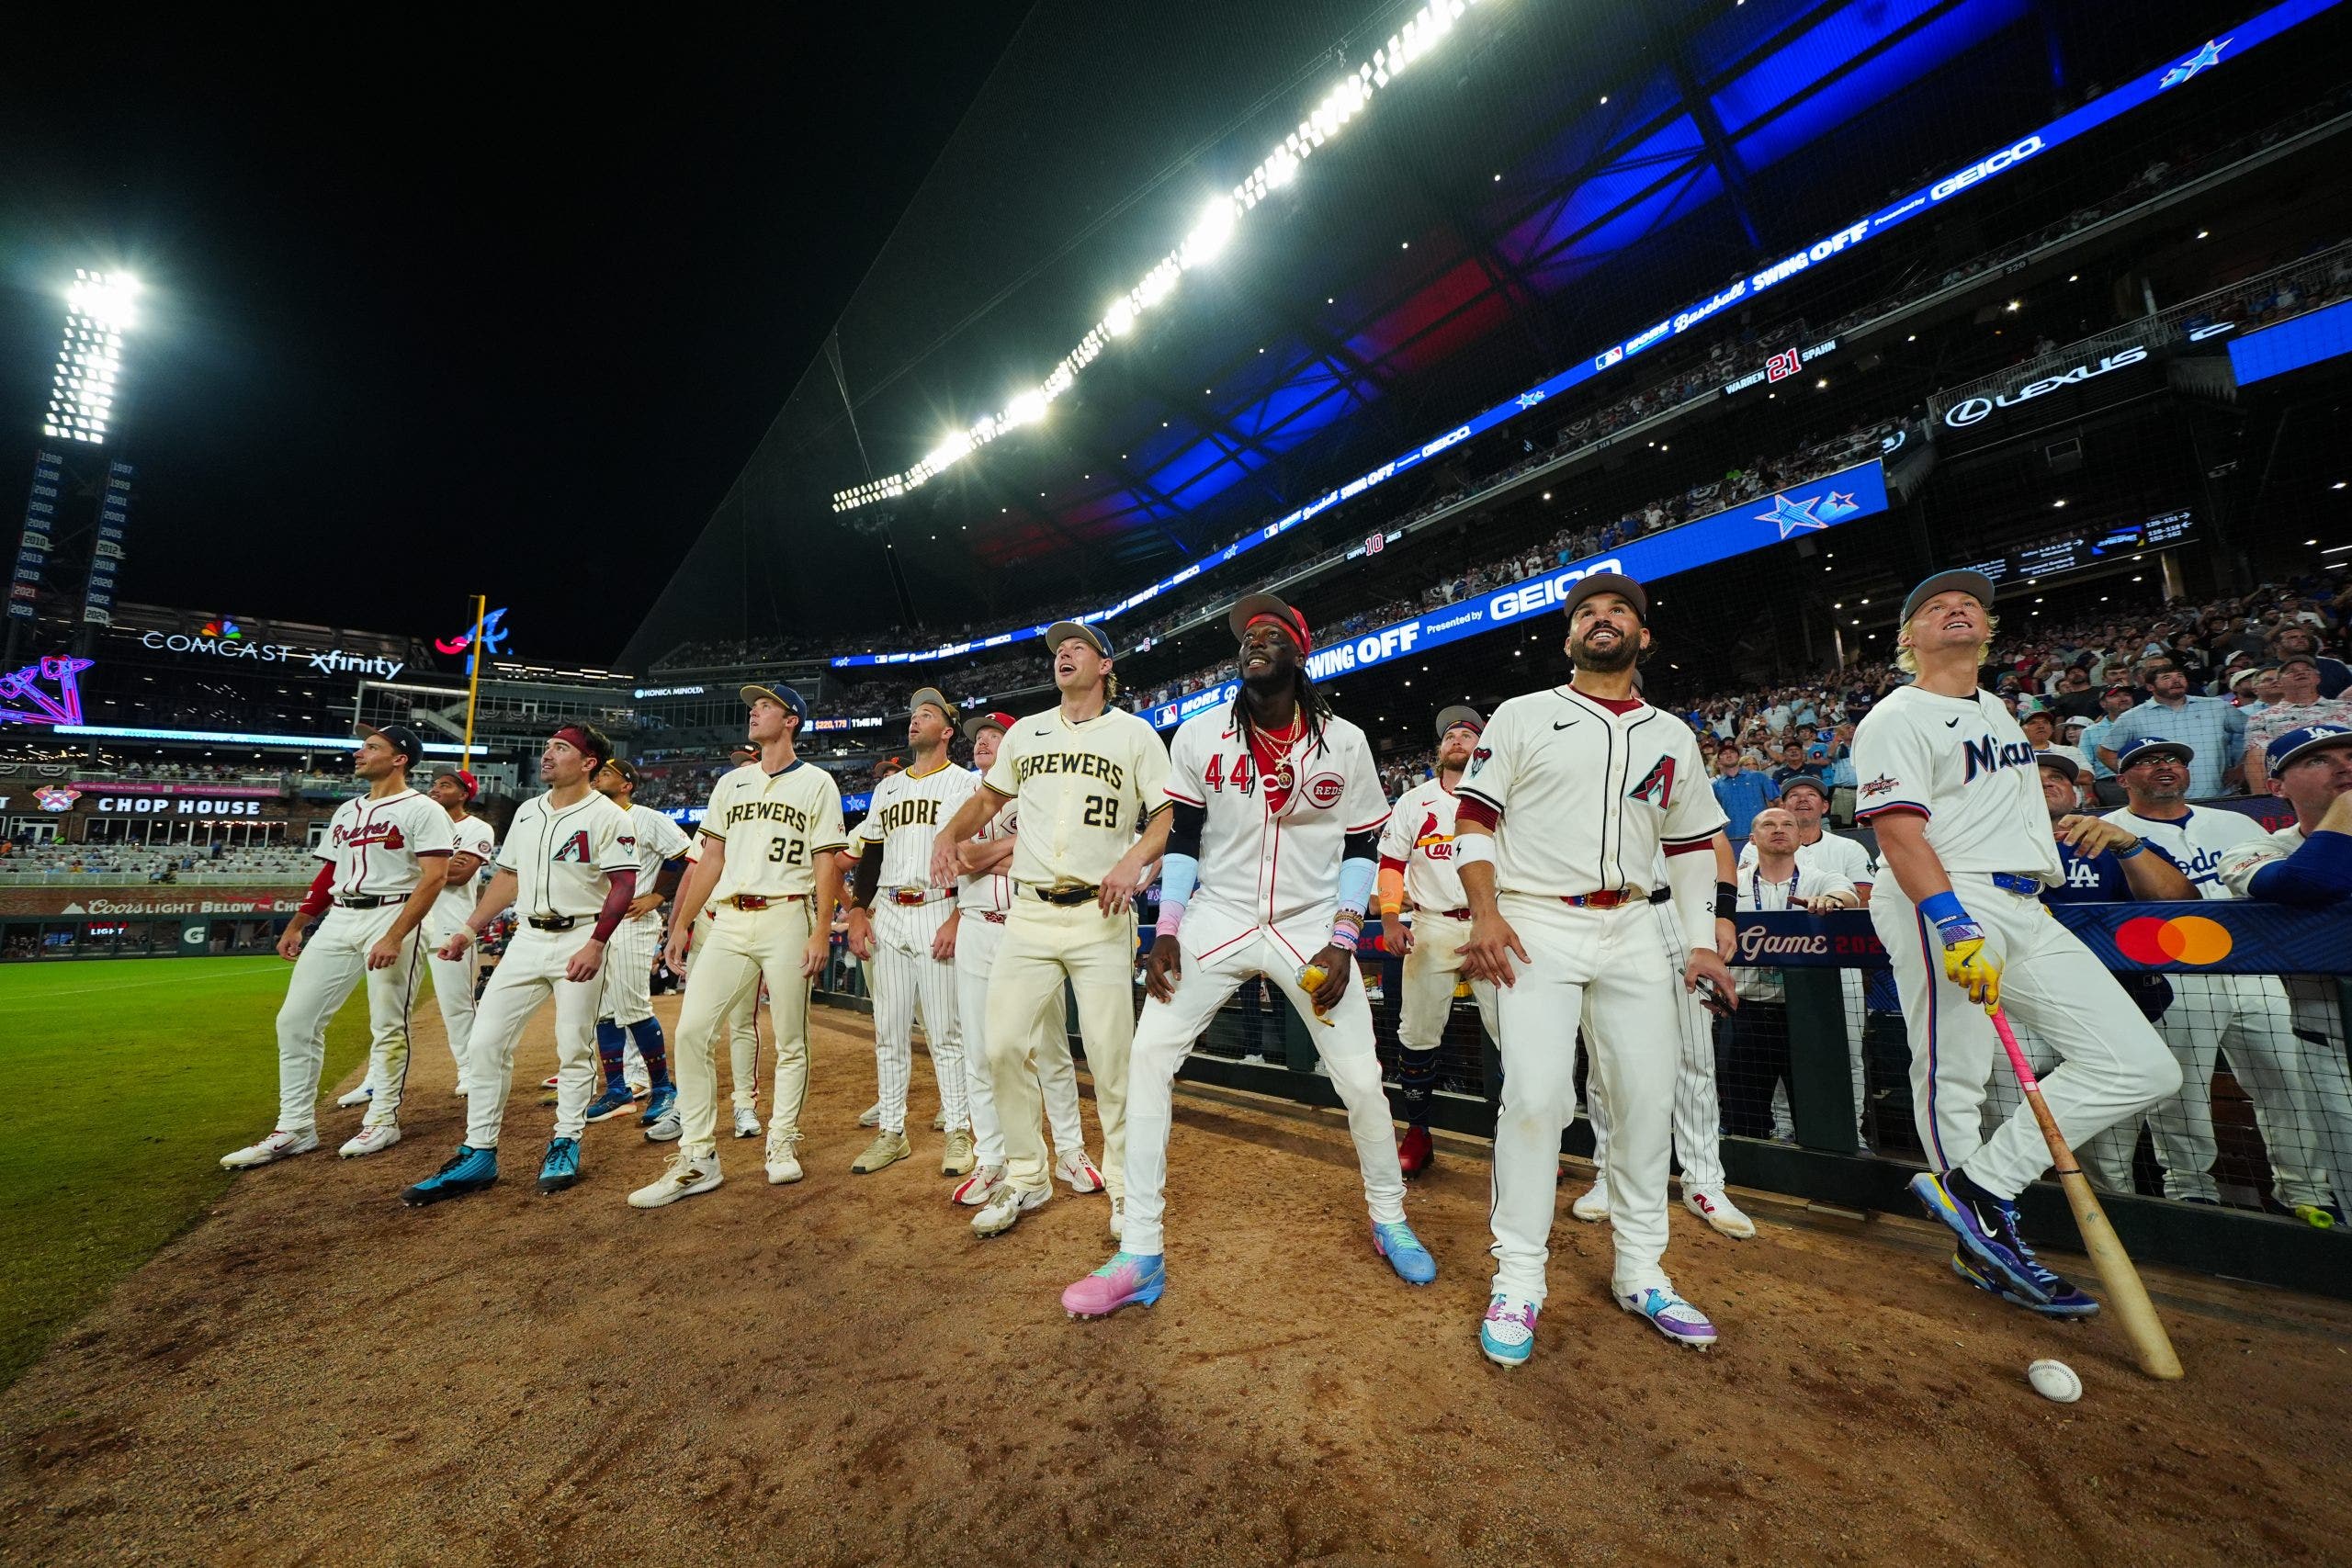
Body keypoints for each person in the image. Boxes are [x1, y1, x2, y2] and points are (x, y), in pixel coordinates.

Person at [1061, 594, 1431, 1319]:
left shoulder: (1345, 740)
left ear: (1300, 651)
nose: (1252, 642)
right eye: (1245, 637)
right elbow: (1185, 839)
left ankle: (1388, 1218)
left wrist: (1346, 935)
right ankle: (1140, 1251)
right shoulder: (1200, 735)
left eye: (1270, 634)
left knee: (1359, 1076)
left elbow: (1361, 843)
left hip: (1309, 922)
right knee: (1148, 1058)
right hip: (1218, 917)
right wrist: (1165, 927)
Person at [1853, 570, 2179, 1319]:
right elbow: (1900, 833)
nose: (1958, 607)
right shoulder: (1896, 714)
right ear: (1908, 639)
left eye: (1969, 603)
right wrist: (1952, 920)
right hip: (1947, 891)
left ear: (1989, 629)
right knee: (1955, 1071)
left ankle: (1976, 1190)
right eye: (1934, 605)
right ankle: (1984, 1244)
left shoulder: (1998, 708)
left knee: (2141, 1065)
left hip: (2027, 900)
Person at [1455, 572, 1737, 1364]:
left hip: (1637, 925)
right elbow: (1474, 818)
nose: (1601, 618)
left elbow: (1688, 850)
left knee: (1648, 1099)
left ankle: (1643, 1270)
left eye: (1618, 611)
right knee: (1537, 1096)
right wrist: (1485, 910)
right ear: (1568, 635)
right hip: (1538, 917)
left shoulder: (1672, 734)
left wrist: (1701, 941)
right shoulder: (1522, 715)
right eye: (1586, 611)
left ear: (1643, 637)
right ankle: (1518, 1277)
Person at [928, 621, 1170, 1240]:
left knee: (1112, 1059)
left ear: (1106, 664)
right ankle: (1027, 1173)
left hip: (1100, 913)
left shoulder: (1135, 734)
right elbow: (986, 801)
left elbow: (1168, 814)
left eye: (1077, 646)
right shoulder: (1028, 733)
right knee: (1002, 1045)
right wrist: (946, 834)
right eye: (1058, 648)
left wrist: (1133, 858)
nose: (1062, 652)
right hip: (1030, 914)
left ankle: (1123, 1184)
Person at [2100, 739, 2342, 1218]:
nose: (2164, 767)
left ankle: (2305, 1194)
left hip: (2259, 970)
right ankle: (2190, 1190)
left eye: (2173, 759)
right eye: (2146, 762)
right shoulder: (2109, 831)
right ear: (2123, 780)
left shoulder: (2236, 823)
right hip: (2174, 974)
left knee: (2290, 1082)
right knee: (2181, 1091)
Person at [401, 725, 640, 1202]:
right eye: (549, 746)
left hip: (580, 932)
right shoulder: (529, 811)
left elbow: (623, 885)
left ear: (589, 761)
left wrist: (596, 943)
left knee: (572, 1046)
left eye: (561, 748)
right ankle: (479, 1152)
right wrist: (469, 929)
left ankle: (565, 1141)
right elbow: (508, 877)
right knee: (485, 1043)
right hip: (528, 937)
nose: (548, 754)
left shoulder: (608, 816)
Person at [631, 683, 847, 1208]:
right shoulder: (731, 782)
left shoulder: (818, 783)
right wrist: (679, 921)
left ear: (791, 720)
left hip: (787, 915)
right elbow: (710, 860)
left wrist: (821, 928)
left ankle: (781, 1139)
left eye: (767, 705)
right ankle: (698, 1157)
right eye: (755, 705)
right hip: (728, 918)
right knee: (690, 1032)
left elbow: (826, 862)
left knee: (791, 1038)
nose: (755, 711)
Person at [221, 724, 454, 1170]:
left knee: (388, 1024)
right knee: (295, 1021)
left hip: (393, 911)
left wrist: (394, 935)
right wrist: (299, 923)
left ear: (400, 758)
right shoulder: (348, 810)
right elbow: (330, 875)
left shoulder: (422, 809)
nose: (359, 752)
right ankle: (295, 1127)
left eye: (372, 747)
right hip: (341, 916)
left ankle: (383, 1117)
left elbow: (435, 877)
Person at [944, 710, 1102, 1210]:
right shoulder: (962, 795)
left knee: (1050, 1049)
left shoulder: (1044, 786)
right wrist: (1015, 847)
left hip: (1028, 924)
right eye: (978, 738)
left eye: (994, 736)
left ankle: (1071, 1152)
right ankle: (992, 1159)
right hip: (975, 927)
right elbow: (961, 857)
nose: (983, 743)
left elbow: (1051, 856)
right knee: (980, 1050)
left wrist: (986, 850)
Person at [2218, 724, 2352, 1223]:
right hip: (2329, 1040)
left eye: (2349, 754)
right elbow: (2306, 881)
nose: (2343, 765)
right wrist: (2347, 809)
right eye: (2318, 761)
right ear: (2276, 787)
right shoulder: (2256, 849)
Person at [842, 688, 977, 1178]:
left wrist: (960, 914)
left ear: (946, 731)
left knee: (946, 1031)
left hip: (938, 906)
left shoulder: (965, 784)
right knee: (889, 1032)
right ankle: (892, 1133)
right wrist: (859, 909)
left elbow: (972, 857)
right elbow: (872, 855)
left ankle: (961, 1129)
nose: (915, 720)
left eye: (928, 714)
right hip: (890, 911)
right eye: (913, 714)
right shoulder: (888, 789)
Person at [1375, 705, 1498, 1177]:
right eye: (1450, 735)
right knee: (1417, 1033)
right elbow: (1391, 863)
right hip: (1433, 922)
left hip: (1493, 920)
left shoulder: (1500, 796)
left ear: (1482, 746)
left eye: (1469, 733)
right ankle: (1419, 1131)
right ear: (1438, 748)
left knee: (1516, 1035)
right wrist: (1390, 918)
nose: (1458, 739)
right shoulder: (1414, 801)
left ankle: (1520, 1141)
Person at [334, 765, 494, 1110]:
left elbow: (458, 873)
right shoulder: (414, 820)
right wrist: (424, 864)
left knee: (458, 1006)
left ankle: (471, 1070)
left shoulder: (476, 827)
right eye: (434, 783)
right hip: (404, 925)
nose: (436, 789)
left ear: (465, 793)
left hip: (451, 926)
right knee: (386, 1011)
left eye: (446, 785)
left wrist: (416, 863)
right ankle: (377, 1079)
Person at [1716, 807, 1856, 1139]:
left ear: (1799, 836)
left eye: (1787, 824)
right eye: (1769, 824)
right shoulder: (1731, 885)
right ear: (1752, 838)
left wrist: (1830, 901)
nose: (1779, 829)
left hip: (1806, 1014)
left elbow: (1847, 893)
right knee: (1743, 1116)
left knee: (1818, 1116)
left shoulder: (1818, 877)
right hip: (1745, 1011)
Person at [579, 758, 692, 1128]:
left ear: (627, 784)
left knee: (632, 1006)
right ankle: (617, 1089)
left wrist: (658, 897)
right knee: (603, 1009)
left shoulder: (648, 818)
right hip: (591, 922)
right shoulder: (589, 816)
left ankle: (663, 1088)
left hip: (630, 920)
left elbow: (686, 859)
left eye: (606, 774)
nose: (598, 779)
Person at [2095, 659, 2245, 797]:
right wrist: (2134, 777)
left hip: (2221, 795)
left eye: (2180, 676)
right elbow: (2105, 752)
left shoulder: (2216, 706)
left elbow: (2254, 730)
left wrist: (2243, 766)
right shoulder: (2132, 717)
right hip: (2163, 800)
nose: (2176, 680)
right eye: (2166, 678)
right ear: (2150, 686)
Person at [2244, 655, 2352, 792]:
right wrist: (2263, 801)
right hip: (2298, 790)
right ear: (2279, 683)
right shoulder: (2262, 718)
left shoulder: (2347, 708)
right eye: (2291, 671)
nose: (2301, 672)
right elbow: (2257, 764)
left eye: (2308, 670)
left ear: (2317, 679)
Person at [1711, 747, 1778, 849]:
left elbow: (1777, 802)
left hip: (1761, 835)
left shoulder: (1759, 777)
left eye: (1732, 752)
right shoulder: (1715, 786)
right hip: (1732, 838)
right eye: (1724, 753)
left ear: (1738, 757)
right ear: (1718, 761)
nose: (1729, 755)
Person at [2075, 685, 2139, 783]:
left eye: (2127, 694)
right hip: (2108, 782)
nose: (2123, 699)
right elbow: (2085, 765)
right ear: (2103, 704)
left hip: (2146, 778)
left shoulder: (2143, 723)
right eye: (2115, 696)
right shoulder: (2090, 732)